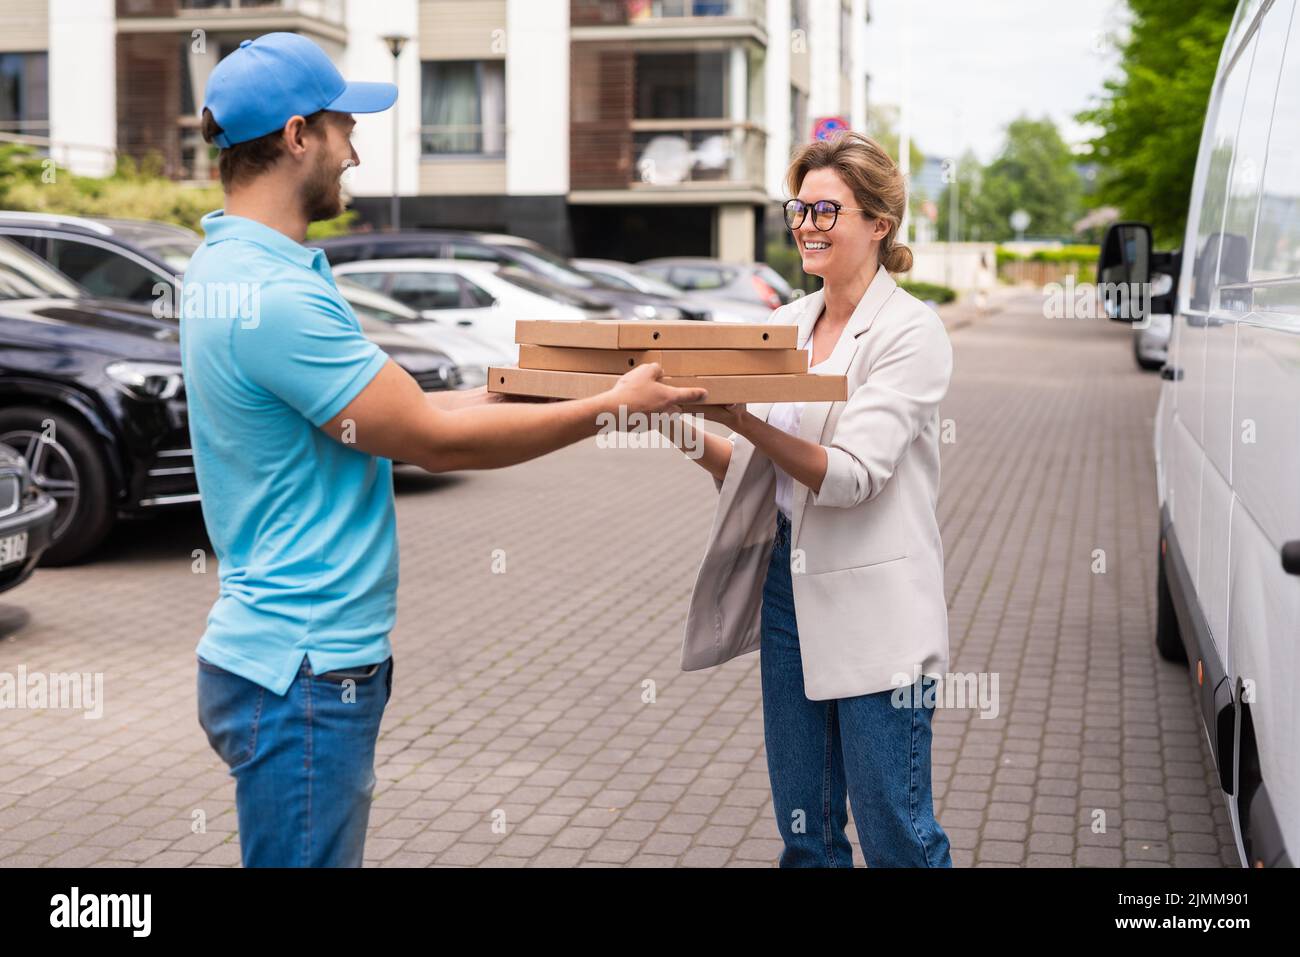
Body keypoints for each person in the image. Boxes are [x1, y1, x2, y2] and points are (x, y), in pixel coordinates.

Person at [182, 32, 705, 867]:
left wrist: (546, 386)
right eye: (344, 126)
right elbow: (431, 439)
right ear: (295, 136)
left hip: (283, 658)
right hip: (304, 671)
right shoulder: (274, 296)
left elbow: (400, 409)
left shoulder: (226, 267)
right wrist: (612, 407)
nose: (355, 150)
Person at [664, 131, 954, 867]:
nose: (806, 224)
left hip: (877, 614)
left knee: (898, 834)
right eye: (799, 207)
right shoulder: (788, 325)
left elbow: (853, 474)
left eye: (826, 210)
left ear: (878, 224)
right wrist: (672, 418)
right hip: (789, 596)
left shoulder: (910, 332)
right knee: (807, 832)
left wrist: (744, 415)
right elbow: (753, 470)